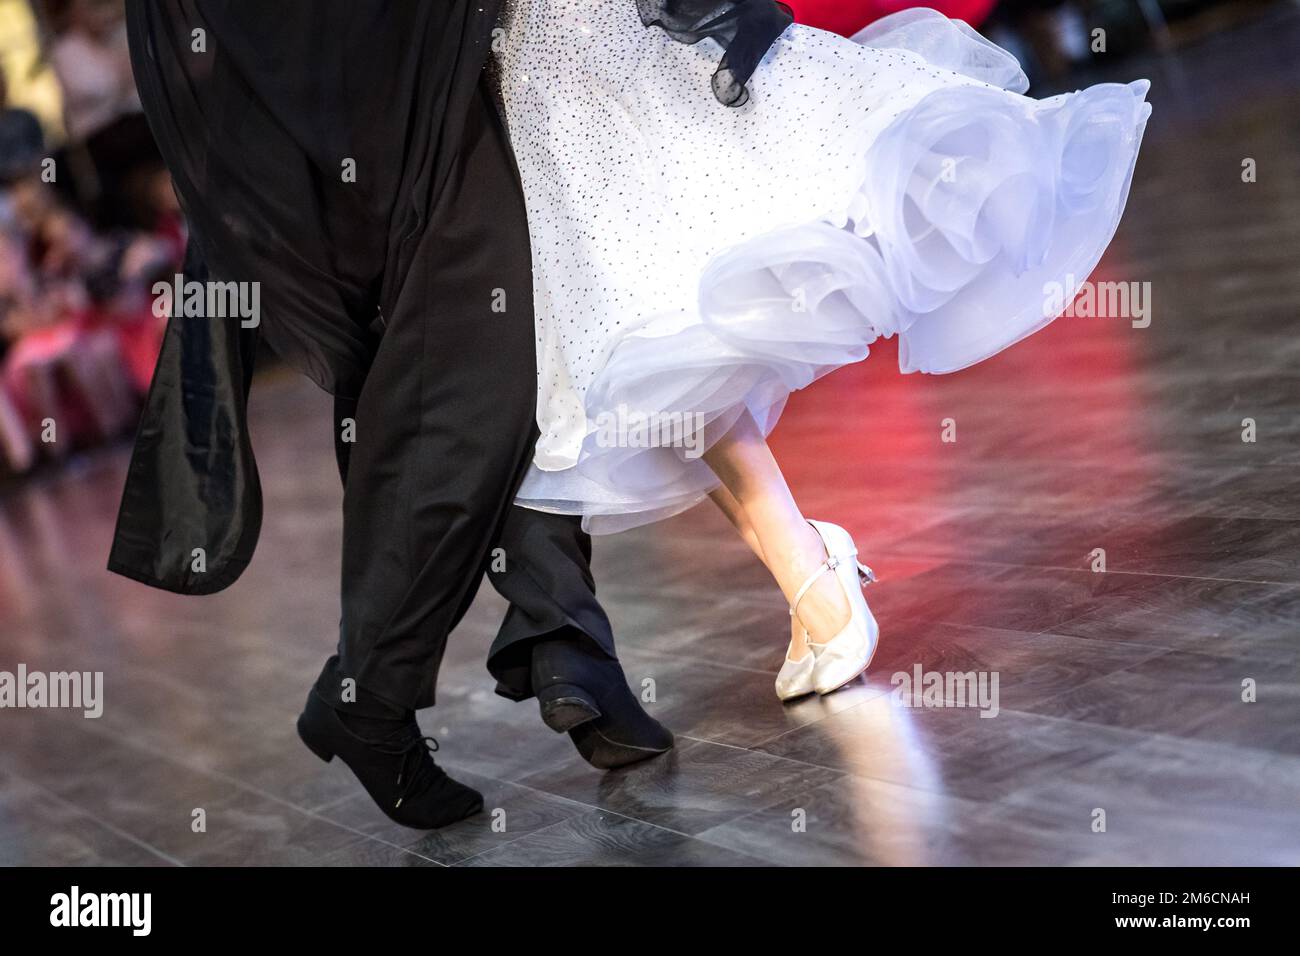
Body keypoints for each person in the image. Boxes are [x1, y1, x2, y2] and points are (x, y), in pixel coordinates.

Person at [107, 0, 672, 832]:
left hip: (313, 71)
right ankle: (376, 692)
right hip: (355, 60)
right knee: (477, 365)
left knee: (460, 351)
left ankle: (566, 650)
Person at [495, 3, 1151, 699]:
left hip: (600, 42)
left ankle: (814, 576)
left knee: (660, 332)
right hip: (524, 86)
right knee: (642, 357)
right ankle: (806, 570)